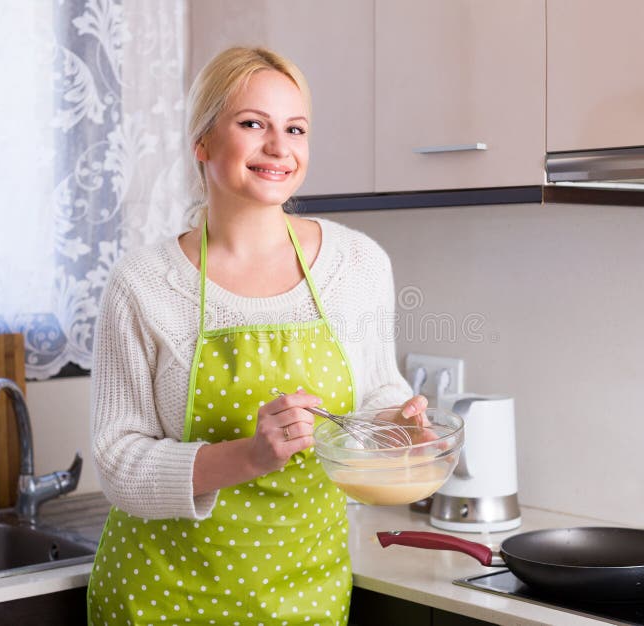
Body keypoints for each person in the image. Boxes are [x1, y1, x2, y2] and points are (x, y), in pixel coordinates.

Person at [87, 46, 426, 625]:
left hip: (303, 592)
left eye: (295, 128)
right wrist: (248, 456)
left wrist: (395, 426)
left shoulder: (358, 264)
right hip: (162, 596)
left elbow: (376, 393)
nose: (279, 148)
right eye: (253, 124)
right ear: (202, 143)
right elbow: (118, 462)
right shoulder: (142, 284)